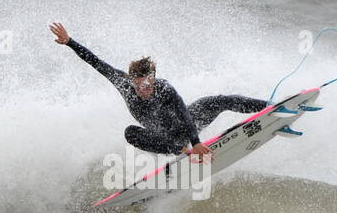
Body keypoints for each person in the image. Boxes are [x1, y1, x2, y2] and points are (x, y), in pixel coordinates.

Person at [51, 23, 267, 160]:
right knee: (130, 132)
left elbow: (183, 112)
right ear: (131, 81)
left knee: (219, 100)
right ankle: (184, 154)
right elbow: (96, 62)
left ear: (153, 80)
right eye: (137, 86)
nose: (141, 90)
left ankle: (270, 107)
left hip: (186, 125)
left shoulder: (164, 88)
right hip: (164, 139)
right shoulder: (124, 84)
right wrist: (70, 42)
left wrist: (196, 142)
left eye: (146, 85)